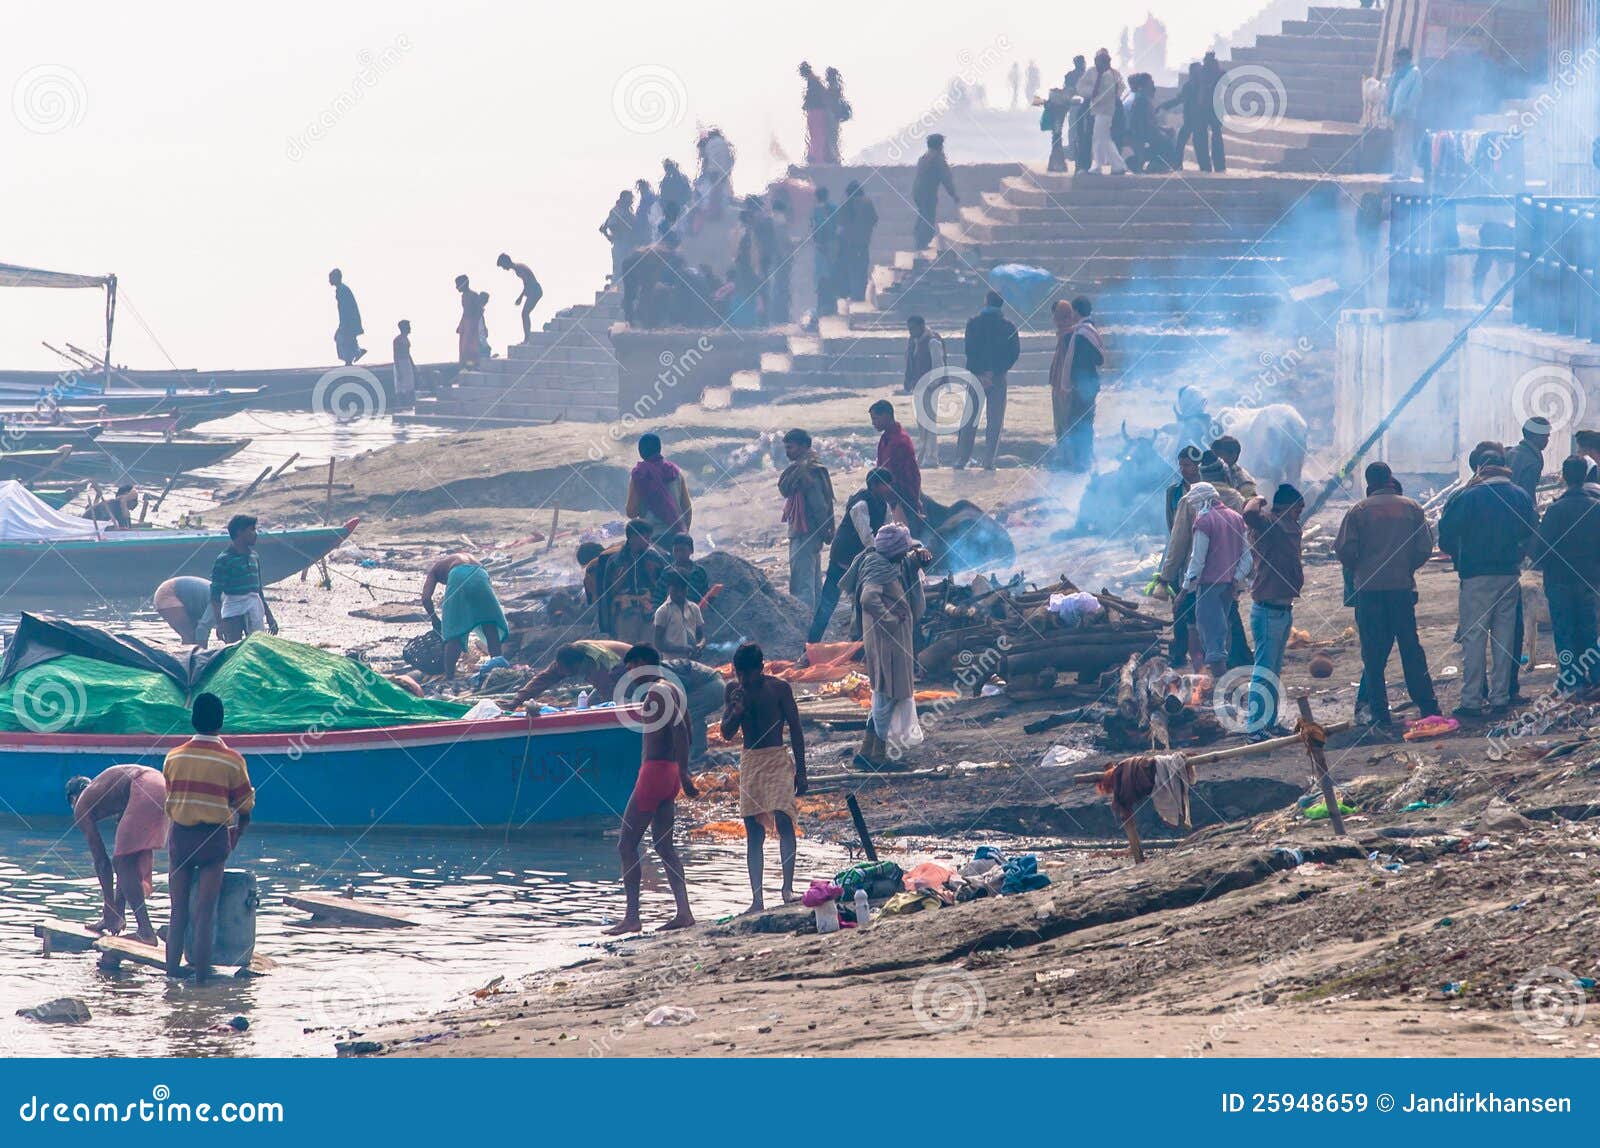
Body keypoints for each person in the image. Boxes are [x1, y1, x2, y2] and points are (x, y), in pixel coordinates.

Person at [1334, 461, 1442, 728]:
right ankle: (1428, 707)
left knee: (1372, 654)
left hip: (1369, 592)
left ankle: (1379, 713)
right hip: (1401, 589)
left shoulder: (1357, 511)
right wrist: (1405, 567)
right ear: (1390, 478)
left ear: (1368, 483)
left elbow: (1344, 551)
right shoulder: (1412, 508)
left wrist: (1362, 567)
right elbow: (1424, 548)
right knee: (1411, 649)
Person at [604, 644, 696, 935]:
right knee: (663, 844)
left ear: (642, 663)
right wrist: (681, 768)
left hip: (656, 771)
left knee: (626, 844)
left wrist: (684, 770)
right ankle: (684, 912)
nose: (630, 676)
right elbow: (689, 728)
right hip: (667, 772)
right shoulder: (674, 689)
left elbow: (680, 730)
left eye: (631, 669)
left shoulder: (657, 690)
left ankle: (632, 917)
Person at [1437, 447, 1537, 716]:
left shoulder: (1468, 497)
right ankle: (1500, 697)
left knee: (1474, 638)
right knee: (1505, 637)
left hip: (1475, 575)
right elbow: (1531, 531)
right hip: (1508, 573)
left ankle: (1471, 701)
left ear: (1480, 468)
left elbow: (1445, 534)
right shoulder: (1520, 495)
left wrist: (1460, 557)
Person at [162, 692, 253, 980]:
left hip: (180, 838)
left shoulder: (173, 757)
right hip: (213, 839)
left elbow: (171, 799)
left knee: (178, 913)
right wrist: (234, 837)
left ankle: (171, 974)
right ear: (221, 722)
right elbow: (245, 808)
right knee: (204, 913)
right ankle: (201, 980)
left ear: (193, 720)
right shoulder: (232, 760)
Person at [720, 641, 805, 912]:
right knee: (753, 831)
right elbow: (726, 732)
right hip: (751, 761)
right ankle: (757, 899)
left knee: (783, 817)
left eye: (748, 674)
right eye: (739, 674)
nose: (743, 680)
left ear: (762, 668)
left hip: (776, 758)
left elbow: (796, 729)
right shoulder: (733, 692)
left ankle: (787, 888)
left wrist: (802, 772)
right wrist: (736, 712)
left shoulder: (779, 689)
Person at [843, 523, 928, 768]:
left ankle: (867, 753)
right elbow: (868, 598)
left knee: (885, 694)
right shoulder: (877, 568)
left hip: (892, 641)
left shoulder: (891, 562)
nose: (906, 554)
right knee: (885, 695)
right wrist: (890, 619)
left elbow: (907, 563)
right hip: (886, 641)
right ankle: (877, 756)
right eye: (905, 549)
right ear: (894, 550)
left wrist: (920, 556)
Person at [67, 766, 168, 944]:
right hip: (161, 784)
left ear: (72, 799)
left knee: (120, 861)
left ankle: (145, 932)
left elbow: (101, 861)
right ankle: (119, 916)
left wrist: (109, 907)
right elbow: (127, 856)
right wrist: (116, 909)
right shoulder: (109, 792)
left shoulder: (81, 804)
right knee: (125, 859)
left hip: (143, 784)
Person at [808, 467, 898, 642]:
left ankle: (857, 644)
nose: (890, 488)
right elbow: (867, 537)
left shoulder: (884, 506)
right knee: (828, 604)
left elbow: (887, 530)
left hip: (862, 561)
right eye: (886, 484)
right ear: (875, 485)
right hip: (843, 559)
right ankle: (810, 645)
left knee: (860, 604)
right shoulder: (861, 505)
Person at [1242, 484, 1304, 736]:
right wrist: (1260, 497)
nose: (1299, 514)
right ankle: (1255, 728)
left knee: (1273, 673)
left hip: (1283, 610)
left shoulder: (1287, 527)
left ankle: (1269, 723)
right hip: (1267, 611)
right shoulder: (1268, 524)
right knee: (1263, 672)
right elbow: (1248, 513)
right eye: (1298, 509)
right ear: (1287, 507)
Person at [1535, 456, 1600, 693]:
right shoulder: (1596, 509)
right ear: (1585, 476)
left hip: (1559, 581)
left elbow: (1541, 552)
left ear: (1563, 476)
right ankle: (1596, 676)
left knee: (1564, 633)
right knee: (1589, 630)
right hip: (1590, 580)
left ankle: (1571, 681)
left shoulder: (1555, 511)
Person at [1180, 482, 1251, 678]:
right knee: (1222, 631)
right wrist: (1234, 580)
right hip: (1228, 586)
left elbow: (1197, 561)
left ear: (1202, 501)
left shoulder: (1204, 521)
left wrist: (1185, 590)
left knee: (1211, 636)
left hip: (1208, 586)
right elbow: (1247, 559)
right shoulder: (1237, 518)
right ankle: (1222, 679)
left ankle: (1221, 685)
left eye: (1194, 504)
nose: (1194, 509)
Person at [959, 290, 1020, 469]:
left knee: (970, 419)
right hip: (998, 378)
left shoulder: (973, 323)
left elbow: (969, 350)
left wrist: (979, 373)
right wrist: (995, 372)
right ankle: (989, 460)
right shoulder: (1009, 326)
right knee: (995, 421)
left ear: (986, 302)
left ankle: (962, 459)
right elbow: (1013, 354)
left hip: (976, 377)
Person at [422, 552, 508, 678]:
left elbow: (425, 599)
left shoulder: (434, 571)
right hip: (481, 573)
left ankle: (449, 676)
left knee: (454, 630)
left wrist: (434, 619)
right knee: (488, 622)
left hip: (458, 574)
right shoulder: (458, 559)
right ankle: (498, 668)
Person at [778, 428, 836, 611]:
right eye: (786, 448)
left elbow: (819, 505)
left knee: (802, 584)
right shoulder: (808, 467)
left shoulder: (807, 470)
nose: (788, 452)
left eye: (791, 448)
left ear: (803, 446)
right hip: (811, 532)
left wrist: (824, 529)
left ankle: (804, 625)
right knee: (812, 582)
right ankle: (816, 628)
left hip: (806, 531)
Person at [1047, 297, 1104, 472]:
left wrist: (1070, 384)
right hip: (1080, 385)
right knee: (1079, 422)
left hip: (1076, 387)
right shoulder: (1082, 332)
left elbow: (1075, 363)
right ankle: (1078, 460)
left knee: (1074, 423)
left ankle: (1076, 461)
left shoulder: (1077, 334)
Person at [210, 514, 277, 643]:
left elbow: (258, 591)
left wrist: (269, 617)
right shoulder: (224, 559)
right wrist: (219, 623)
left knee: (257, 647)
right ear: (239, 532)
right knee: (234, 648)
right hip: (233, 608)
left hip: (255, 606)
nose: (255, 533)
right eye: (251, 529)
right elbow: (215, 595)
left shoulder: (254, 557)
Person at [512, 640, 632, 708]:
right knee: (590, 704)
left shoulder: (598, 666)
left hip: (635, 671)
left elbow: (609, 696)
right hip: (614, 676)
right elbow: (543, 679)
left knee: (612, 704)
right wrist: (517, 701)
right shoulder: (567, 657)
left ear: (576, 666)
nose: (559, 673)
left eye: (563, 670)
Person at [602, 519, 667, 645]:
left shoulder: (656, 558)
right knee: (626, 649)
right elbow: (608, 591)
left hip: (650, 613)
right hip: (625, 614)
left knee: (650, 648)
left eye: (649, 537)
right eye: (645, 537)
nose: (648, 541)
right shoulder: (616, 562)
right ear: (632, 537)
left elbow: (664, 586)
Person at [625, 432, 693, 538]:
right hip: (676, 535)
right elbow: (687, 508)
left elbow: (631, 512)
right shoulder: (676, 473)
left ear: (641, 452)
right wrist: (684, 533)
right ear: (659, 449)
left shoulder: (640, 475)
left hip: (650, 538)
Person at [902, 316, 947, 467]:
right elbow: (910, 362)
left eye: (913, 328)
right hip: (918, 386)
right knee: (922, 423)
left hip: (930, 388)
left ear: (922, 326)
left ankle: (932, 457)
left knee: (930, 423)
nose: (910, 331)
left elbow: (938, 366)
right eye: (909, 329)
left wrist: (932, 385)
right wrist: (908, 381)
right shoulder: (913, 341)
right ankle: (923, 456)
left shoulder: (932, 341)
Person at [1076, 50, 1128, 174]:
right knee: (1102, 138)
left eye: (1104, 60)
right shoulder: (1091, 72)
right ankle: (1114, 165)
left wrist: (1095, 96)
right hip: (1094, 110)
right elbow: (1081, 88)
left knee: (1101, 138)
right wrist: (1091, 94)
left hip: (1106, 111)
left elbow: (1115, 91)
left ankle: (1103, 165)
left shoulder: (1112, 75)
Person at [870, 399, 922, 520]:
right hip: (888, 491)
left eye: (875, 418)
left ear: (886, 416)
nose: (873, 423)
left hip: (901, 495)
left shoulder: (900, 440)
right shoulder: (885, 438)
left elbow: (898, 474)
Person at [1161, 62, 1211, 172]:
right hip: (1190, 120)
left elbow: (1202, 103)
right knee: (1182, 142)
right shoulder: (1188, 86)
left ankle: (1205, 168)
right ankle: (1178, 165)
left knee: (1199, 145)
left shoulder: (1203, 86)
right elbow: (1180, 99)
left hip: (1200, 121)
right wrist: (1165, 105)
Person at [912, 134, 958, 249]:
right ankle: (922, 244)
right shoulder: (937, 159)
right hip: (927, 194)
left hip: (918, 192)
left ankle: (919, 241)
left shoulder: (924, 157)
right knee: (928, 218)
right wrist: (954, 195)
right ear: (940, 145)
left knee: (923, 215)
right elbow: (946, 179)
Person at [836, 181, 878, 302]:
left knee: (852, 269)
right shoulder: (867, 203)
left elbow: (840, 225)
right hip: (864, 242)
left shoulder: (845, 204)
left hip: (850, 244)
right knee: (863, 268)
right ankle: (861, 295)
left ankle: (855, 295)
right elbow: (874, 220)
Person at [1387, 47, 1422, 179]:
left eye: (1400, 57)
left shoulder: (1415, 73)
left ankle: (1405, 172)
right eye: (1397, 58)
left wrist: (1406, 109)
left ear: (1407, 58)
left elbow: (1415, 94)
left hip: (1407, 114)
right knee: (1397, 143)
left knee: (1405, 143)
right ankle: (1397, 170)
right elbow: (1392, 91)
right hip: (1396, 114)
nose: (1398, 60)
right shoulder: (1398, 73)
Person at [652, 570, 705, 658]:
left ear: (687, 588)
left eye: (683, 589)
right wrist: (681, 649)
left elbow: (701, 636)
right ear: (669, 588)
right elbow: (658, 644)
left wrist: (700, 645)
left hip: (692, 660)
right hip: (671, 662)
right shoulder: (663, 611)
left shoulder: (694, 608)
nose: (679, 593)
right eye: (675, 590)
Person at [809, 186, 840, 328]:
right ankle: (828, 305)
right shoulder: (828, 208)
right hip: (828, 246)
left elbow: (814, 228)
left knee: (824, 276)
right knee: (827, 276)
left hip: (824, 247)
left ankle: (827, 305)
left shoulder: (819, 210)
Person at [154, 575, 215, 646]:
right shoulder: (219, 602)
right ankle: (197, 655)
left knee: (194, 636)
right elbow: (203, 629)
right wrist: (203, 652)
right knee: (190, 636)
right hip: (168, 593)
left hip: (187, 597)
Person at [496, 253, 544, 342]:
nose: (503, 268)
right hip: (533, 290)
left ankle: (527, 338)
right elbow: (527, 283)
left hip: (535, 290)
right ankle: (527, 338)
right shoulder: (518, 267)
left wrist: (520, 297)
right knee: (525, 313)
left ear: (506, 262)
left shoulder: (518, 268)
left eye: (503, 266)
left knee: (524, 313)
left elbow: (528, 282)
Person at [656, 531, 710, 604]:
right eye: (676, 551)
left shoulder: (699, 572)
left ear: (691, 550)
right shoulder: (667, 572)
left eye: (682, 550)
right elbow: (658, 597)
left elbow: (705, 595)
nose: (679, 554)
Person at [1508, 415, 1550, 499]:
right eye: (1545, 436)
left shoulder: (1511, 453)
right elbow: (1528, 494)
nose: (1547, 440)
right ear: (1536, 436)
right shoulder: (1532, 461)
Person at [1198, 52, 1227, 172]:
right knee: (1211, 137)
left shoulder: (1216, 73)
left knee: (1213, 137)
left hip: (1211, 108)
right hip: (1207, 108)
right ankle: (1213, 165)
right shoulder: (1204, 73)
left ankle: (1214, 165)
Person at [329, 268, 364, 365]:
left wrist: (343, 325)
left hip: (349, 321)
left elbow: (345, 309)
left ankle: (352, 357)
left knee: (342, 338)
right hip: (350, 320)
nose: (329, 280)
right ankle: (357, 352)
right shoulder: (342, 289)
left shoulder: (342, 290)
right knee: (347, 339)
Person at [600, 190, 637, 281]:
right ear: (623, 198)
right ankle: (615, 291)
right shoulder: (616, 210)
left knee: (629, 270)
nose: (631, 201)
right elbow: (608, 226)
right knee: (619, 270)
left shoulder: (629, 211)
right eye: (629, 198)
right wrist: (613, 237)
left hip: (629, 245)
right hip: (620, 245)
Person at [800, 62, 830, 165]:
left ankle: (818, 159)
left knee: (817, 135)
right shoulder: (814, 80)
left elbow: (817, 97)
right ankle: (816, 158)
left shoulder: (814, 81)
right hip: (816, 111)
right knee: (816, 135)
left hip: (817, 111)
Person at [1210, 434, 1257, 499]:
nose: (1217, 459)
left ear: (1233, 455)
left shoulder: (1242, 480)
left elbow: (1252, 501)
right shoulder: (1216, 472)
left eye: (1220, 455)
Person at [454, 274, 485, 368]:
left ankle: (471, 366)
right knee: (463, 348)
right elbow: (465, 311)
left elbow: (480, 311)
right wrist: (460, 324)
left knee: (471, 349)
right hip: (465, 323)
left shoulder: (473, 295)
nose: (456, 287)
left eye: (458, 284)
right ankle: (464, 366)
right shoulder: (464, 296)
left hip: (473, 324)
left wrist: (481, 327)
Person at [824, 67, 849, 163]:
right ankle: (835, 157)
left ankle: (834, 157)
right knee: (834, 136)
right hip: (835, 114)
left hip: (832, 114)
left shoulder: (832, 87)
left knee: (832, 137)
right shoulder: (838, 86)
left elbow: (830, 101)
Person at [392, 319, 416, 408]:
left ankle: (409, 405)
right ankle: (401, 406)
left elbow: (408, 353)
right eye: (408, 326)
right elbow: (395, 355)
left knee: (410, 386)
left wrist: (413, 365)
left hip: (407, 363)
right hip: (400, 363)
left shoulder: (406, 338)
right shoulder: (397, 340)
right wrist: (398, 371)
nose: (410, 328)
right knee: (401, 388)